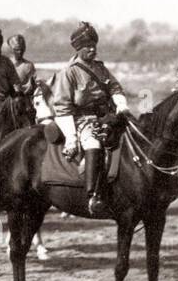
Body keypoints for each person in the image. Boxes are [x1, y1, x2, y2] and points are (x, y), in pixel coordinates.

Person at [36, 22, 131, 214]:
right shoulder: (69, 73)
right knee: (93, 143)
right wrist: (71, 137)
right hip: (82, 121)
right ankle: (93, 195)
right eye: (87, 45)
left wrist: (120, 103)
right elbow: (62, 107)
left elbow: (114, 87)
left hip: (106, 117)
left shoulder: (100, 68)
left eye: (94, 44)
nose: (92, 49)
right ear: (78, 48)